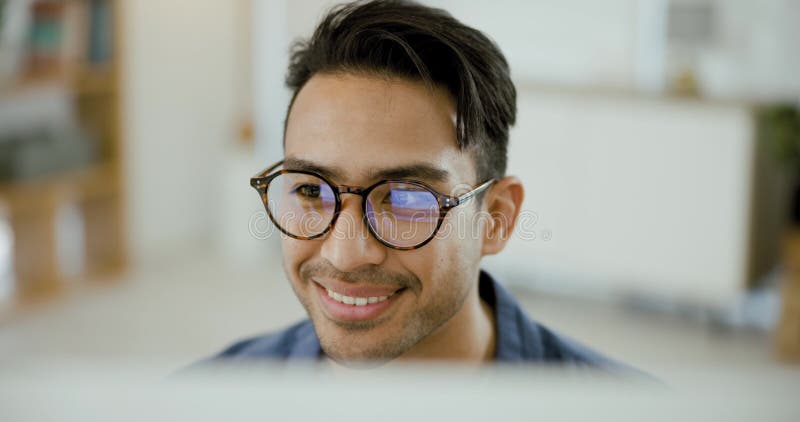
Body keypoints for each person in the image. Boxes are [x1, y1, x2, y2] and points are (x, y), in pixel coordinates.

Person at [207, 0, 622, 369]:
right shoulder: (209, 397)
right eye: (312, 190)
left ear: (496, 219)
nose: (346, 254)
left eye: (406, 197)